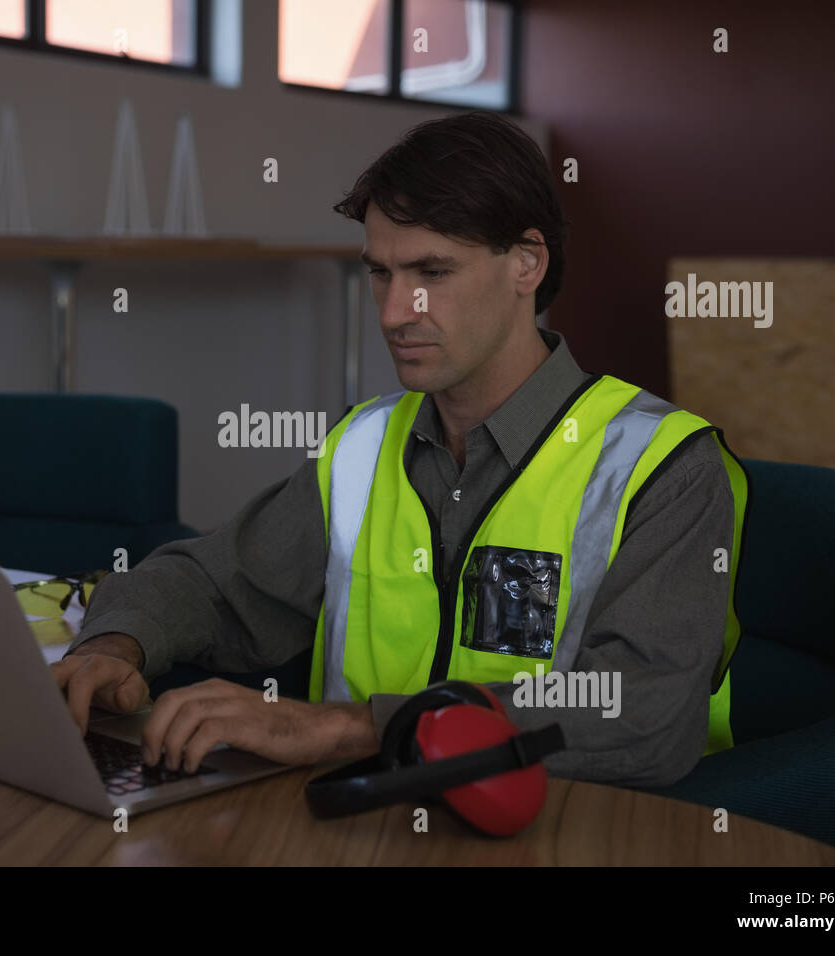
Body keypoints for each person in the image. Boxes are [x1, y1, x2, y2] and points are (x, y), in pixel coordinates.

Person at [52, 110, 749, 789]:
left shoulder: (665, 466)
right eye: (380, 273)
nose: (393, 313)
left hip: (583, 837)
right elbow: (213, 583)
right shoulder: (362, 445)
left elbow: (643, 715)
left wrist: (343, 728)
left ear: (526, 265)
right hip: (356, 825)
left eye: (432, 273)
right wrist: (116, 645)